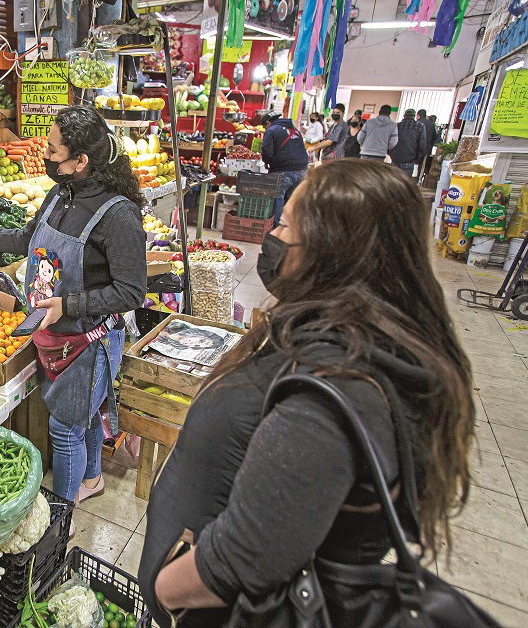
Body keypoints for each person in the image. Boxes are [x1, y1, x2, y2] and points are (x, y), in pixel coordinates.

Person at [139, 159, 475, 627]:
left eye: (283, 225)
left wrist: (165, 590)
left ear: (331, 250)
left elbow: (247, 556)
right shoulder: (345, 334)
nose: (271, 237)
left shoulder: (334, 391)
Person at [0, 106, 146, 520]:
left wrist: (68, 304)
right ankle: (91, 479)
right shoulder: (61, 193)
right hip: (54, 334)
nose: (45, 155)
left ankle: (61, 518)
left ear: (81, 161)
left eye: (53, 150)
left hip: (90, 340)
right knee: (84, 417)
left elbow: (132, 291)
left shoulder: (118, 215)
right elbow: (28, 239)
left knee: (64, 428)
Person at [260, 111, 309, 227]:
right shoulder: (294, 130)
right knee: (294, 201)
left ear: (268, 123)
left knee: (278, 199)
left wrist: (267, 162)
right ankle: (292, 228)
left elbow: (266, 150)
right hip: (302, 169)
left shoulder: (272, 130)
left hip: (283, 169)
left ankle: (278, 229)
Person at [390, 108, 427, 178]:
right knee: (405, 181)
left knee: (393, 180)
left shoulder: (396, 126)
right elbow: (422, 144)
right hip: (410, 159)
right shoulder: (420, 126)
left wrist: (391, 154)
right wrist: (417, 158)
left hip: (395, 159)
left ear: (404, 116)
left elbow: (390, 141)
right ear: (414, 116)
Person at [417, 110, 442, 178]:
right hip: (426, 148)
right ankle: (419, 179)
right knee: (422, 164)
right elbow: (434, 137)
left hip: (415, 147)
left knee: (413, 163)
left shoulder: (416, 123)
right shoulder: (432, 124)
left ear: (418, 115)